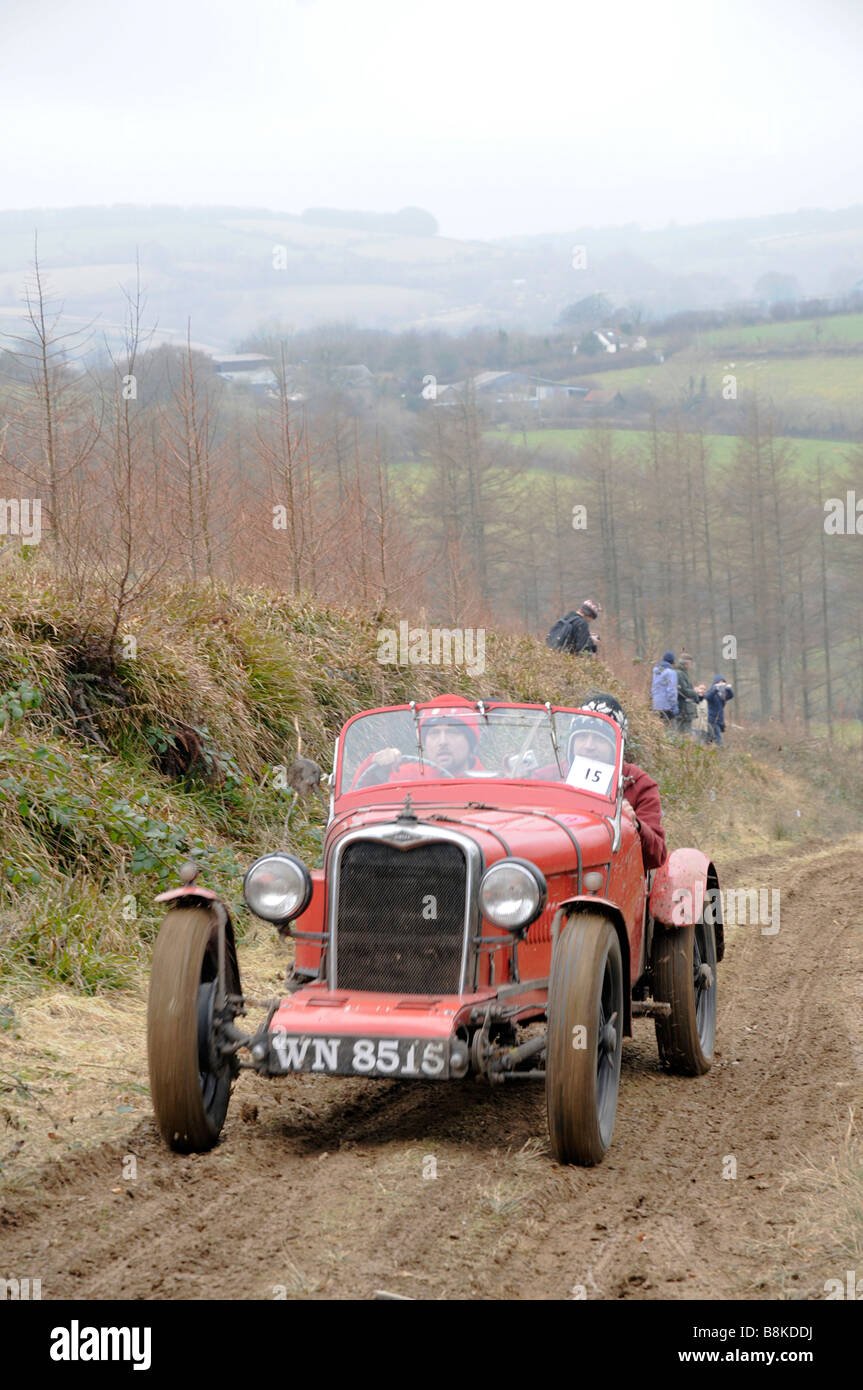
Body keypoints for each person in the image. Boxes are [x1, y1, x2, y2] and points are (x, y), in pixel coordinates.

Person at [578, 694, 667, 869]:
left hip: (617, 876)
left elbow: (657, 855)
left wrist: (635, 825)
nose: (588, 746)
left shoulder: (639, 783)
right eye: (582, 737)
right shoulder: (554, 773)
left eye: (599, 739)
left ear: (616, 746)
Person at [353, 701, 484, 787]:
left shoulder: (488, 784)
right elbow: (360, 802)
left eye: (453, 732)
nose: (442, 742)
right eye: (434, 733)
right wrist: (378, 765)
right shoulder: (407, 777)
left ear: (470, 742)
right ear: (425, 743)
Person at [651, 651, 679, 726]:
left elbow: (654, 688)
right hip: (667, 706)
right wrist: (674, 704)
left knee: (659, 727)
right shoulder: (671, 672)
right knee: (669, 728)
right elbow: (671, 690)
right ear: (672, 661)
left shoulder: (656, 672)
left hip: (656, 704)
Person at [705, 675, 734, 746]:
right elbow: (707, 697)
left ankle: (707, 750)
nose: (721, 684)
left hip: (719, 719)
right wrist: (716, 689)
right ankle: (720, 751)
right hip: (712, 719)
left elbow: (731, 696)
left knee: (710, 738)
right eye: (719, 682)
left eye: (722, 682)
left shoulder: (723, 694)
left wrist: (728, 689)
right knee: (717, 738)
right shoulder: (712, 691)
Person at [675, 651, 697, 734]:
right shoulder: (680, 674)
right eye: (690, 663)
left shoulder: (683, 673)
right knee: (684, 733)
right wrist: (694, 692)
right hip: (683, 709)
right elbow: (683, 691)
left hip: (685, 708)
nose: (690, 665)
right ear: (686, 664)